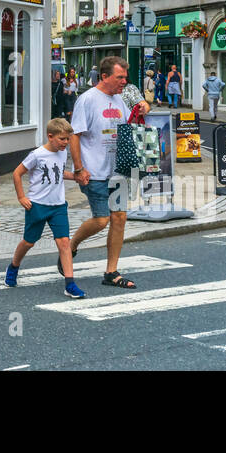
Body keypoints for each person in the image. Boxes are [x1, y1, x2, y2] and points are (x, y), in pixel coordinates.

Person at [64, 55, 150, 290]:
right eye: (119, 77)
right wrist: (79, 168)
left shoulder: (120, 100)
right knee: (101, 220)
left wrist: (142, 109)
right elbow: (75, 135)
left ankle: (111, 271)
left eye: (125, 77)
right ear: (104, 76)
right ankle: (71, 245)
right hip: (93, 171)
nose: (124, 81)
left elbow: (129, 126)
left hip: (118, 170)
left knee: (119, 218)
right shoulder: (88, 99)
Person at [5, 118, 87, 298]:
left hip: (58, 206)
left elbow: (56, 172)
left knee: (64, 242)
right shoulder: (37, 154)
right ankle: (13, 266)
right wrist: (21, 197)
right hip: (37, 206)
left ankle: (70, 284)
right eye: (63, 139)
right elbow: (17, 173)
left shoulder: (62, 153)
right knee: (29, 242)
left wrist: (75, 177)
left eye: (68, 139)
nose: (66, 142)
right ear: (50, 136)